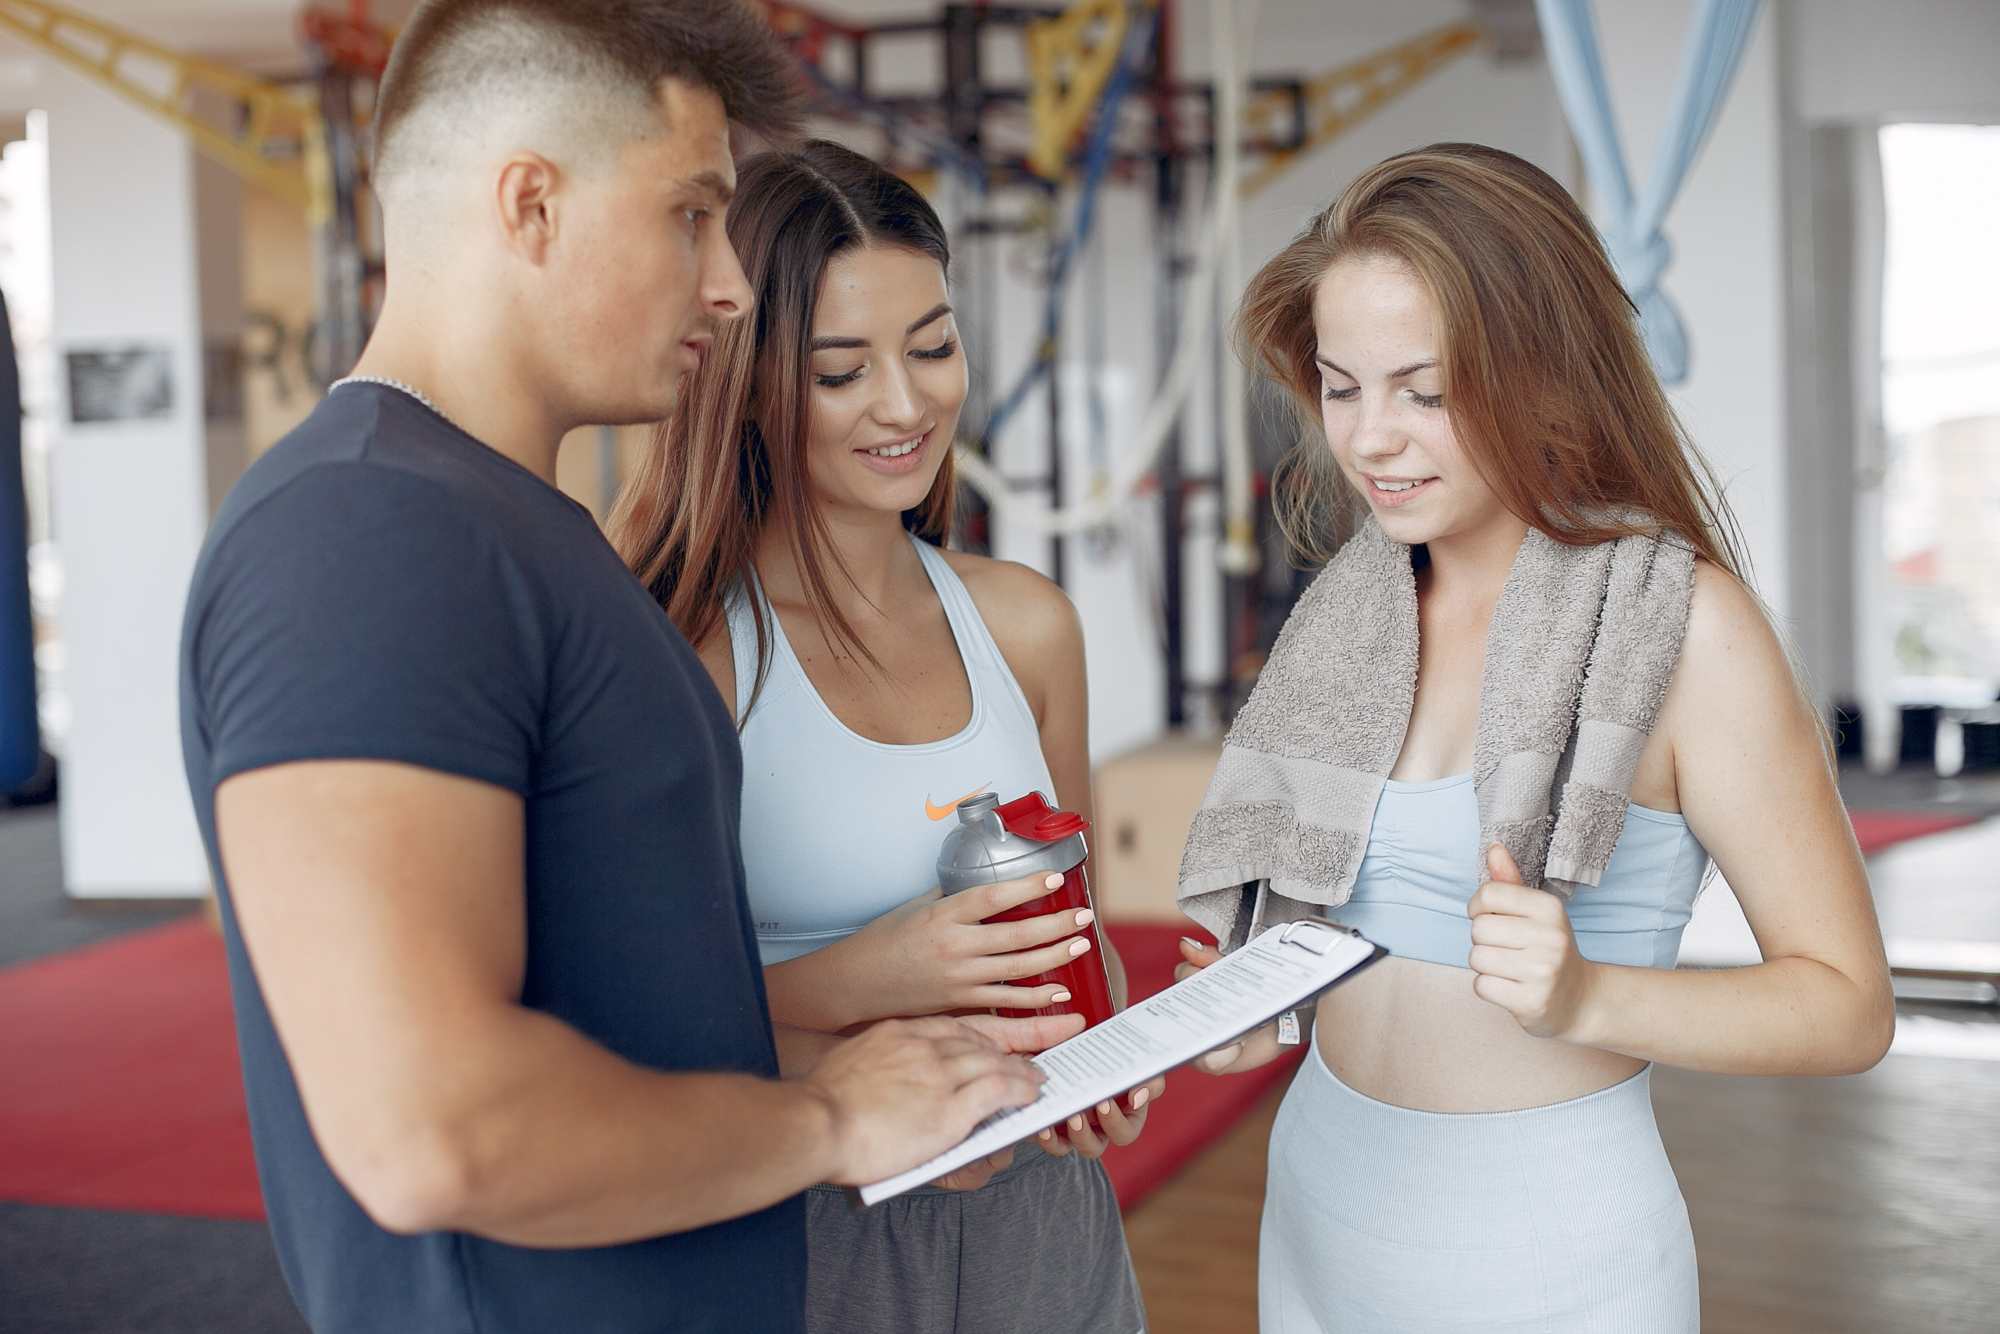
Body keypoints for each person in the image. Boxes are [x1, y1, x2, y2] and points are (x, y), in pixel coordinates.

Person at [178, 7, 1073, 1333]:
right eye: (690, 215)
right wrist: (826, 1117)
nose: (726, 281)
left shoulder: (523, 534)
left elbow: (637, 1007)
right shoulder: (364, 532)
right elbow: (435, 1130)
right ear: (530, 203)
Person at [1173, 143, 1895, 1332]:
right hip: (1313, 1201)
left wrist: (1584, 994)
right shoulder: (1353, 611)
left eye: (1424, 387)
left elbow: (1845, 1007)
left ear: (1539, 368)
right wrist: (1260, 1005)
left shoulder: (1683, 629)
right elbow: (1347, 927)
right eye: (1341, 385)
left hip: (1541, 1247)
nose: (1367, 440)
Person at [612, 139, 1155, 1334]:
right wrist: (872, 975)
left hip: (1042, 1214)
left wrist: (1108, 1050)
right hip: (809, 1219)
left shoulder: (1023, 623)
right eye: (840, 371)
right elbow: (623, 1025)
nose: (905, 405)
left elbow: (1085, 939)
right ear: (744, 380)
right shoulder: (685, 654)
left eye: (931, 346)